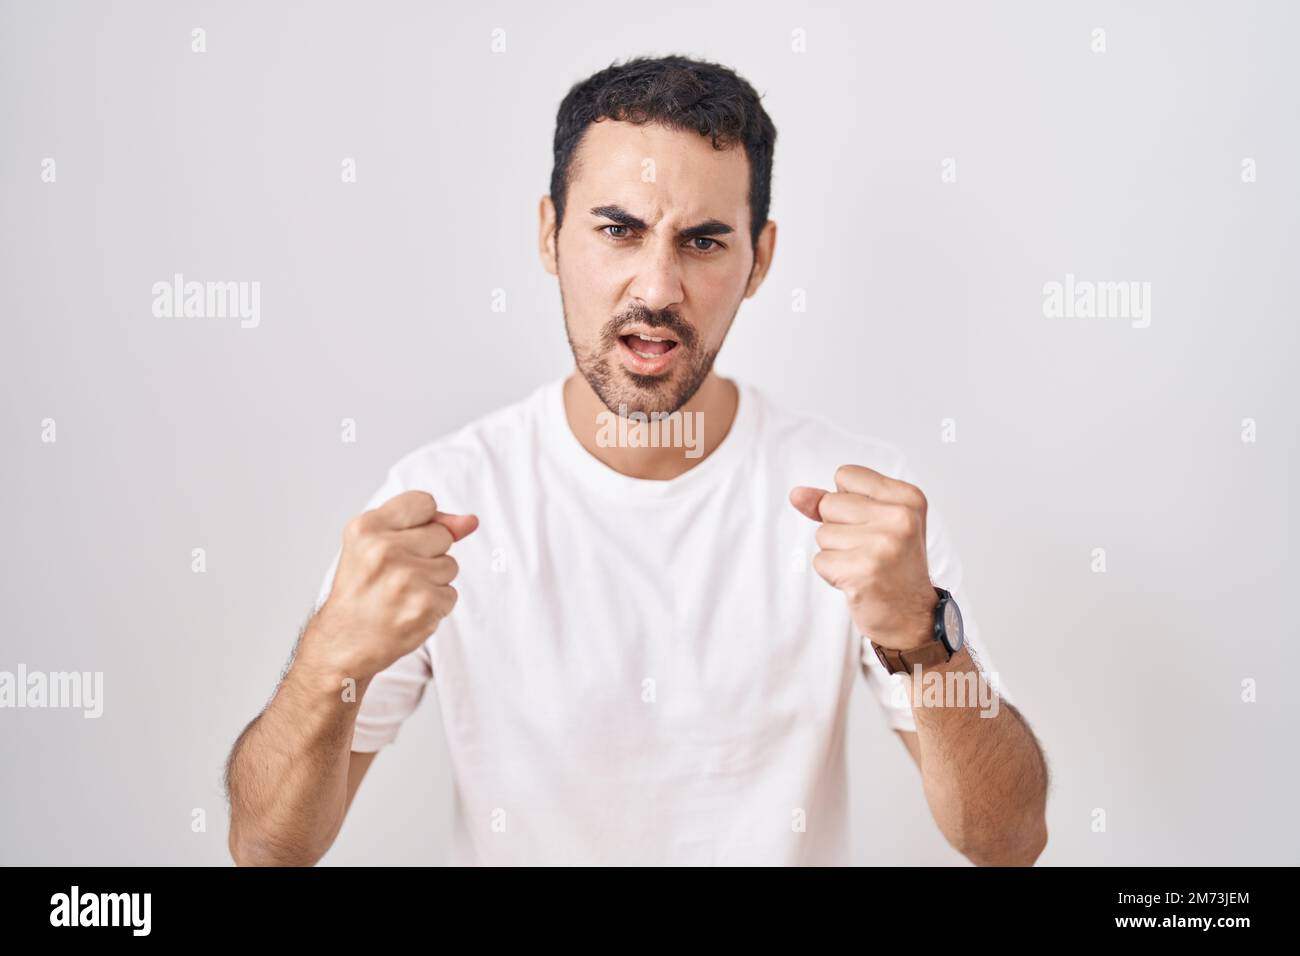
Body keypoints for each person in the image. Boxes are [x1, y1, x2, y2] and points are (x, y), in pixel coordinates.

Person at [225, 54, 1049, 866]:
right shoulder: (442, 501)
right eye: (618, 230)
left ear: (760, 261)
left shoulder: (863, 508)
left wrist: (925, 639)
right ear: (549, 234)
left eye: (702, 242)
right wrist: (329, 656)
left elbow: (1009, 842)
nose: (656, 287)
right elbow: (266, 849)